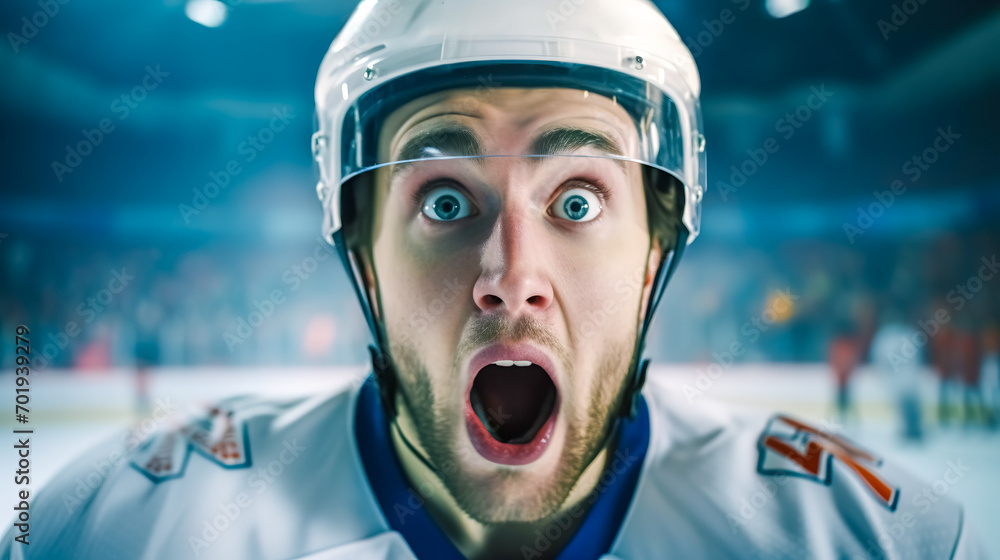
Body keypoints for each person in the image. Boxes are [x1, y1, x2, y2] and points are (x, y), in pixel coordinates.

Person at [3, 1, 986, 558]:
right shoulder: (118, 530)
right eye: (441, 199)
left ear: (655, 246)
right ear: (361, 250)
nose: (510, 277)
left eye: (575, 201)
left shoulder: (863, 536)